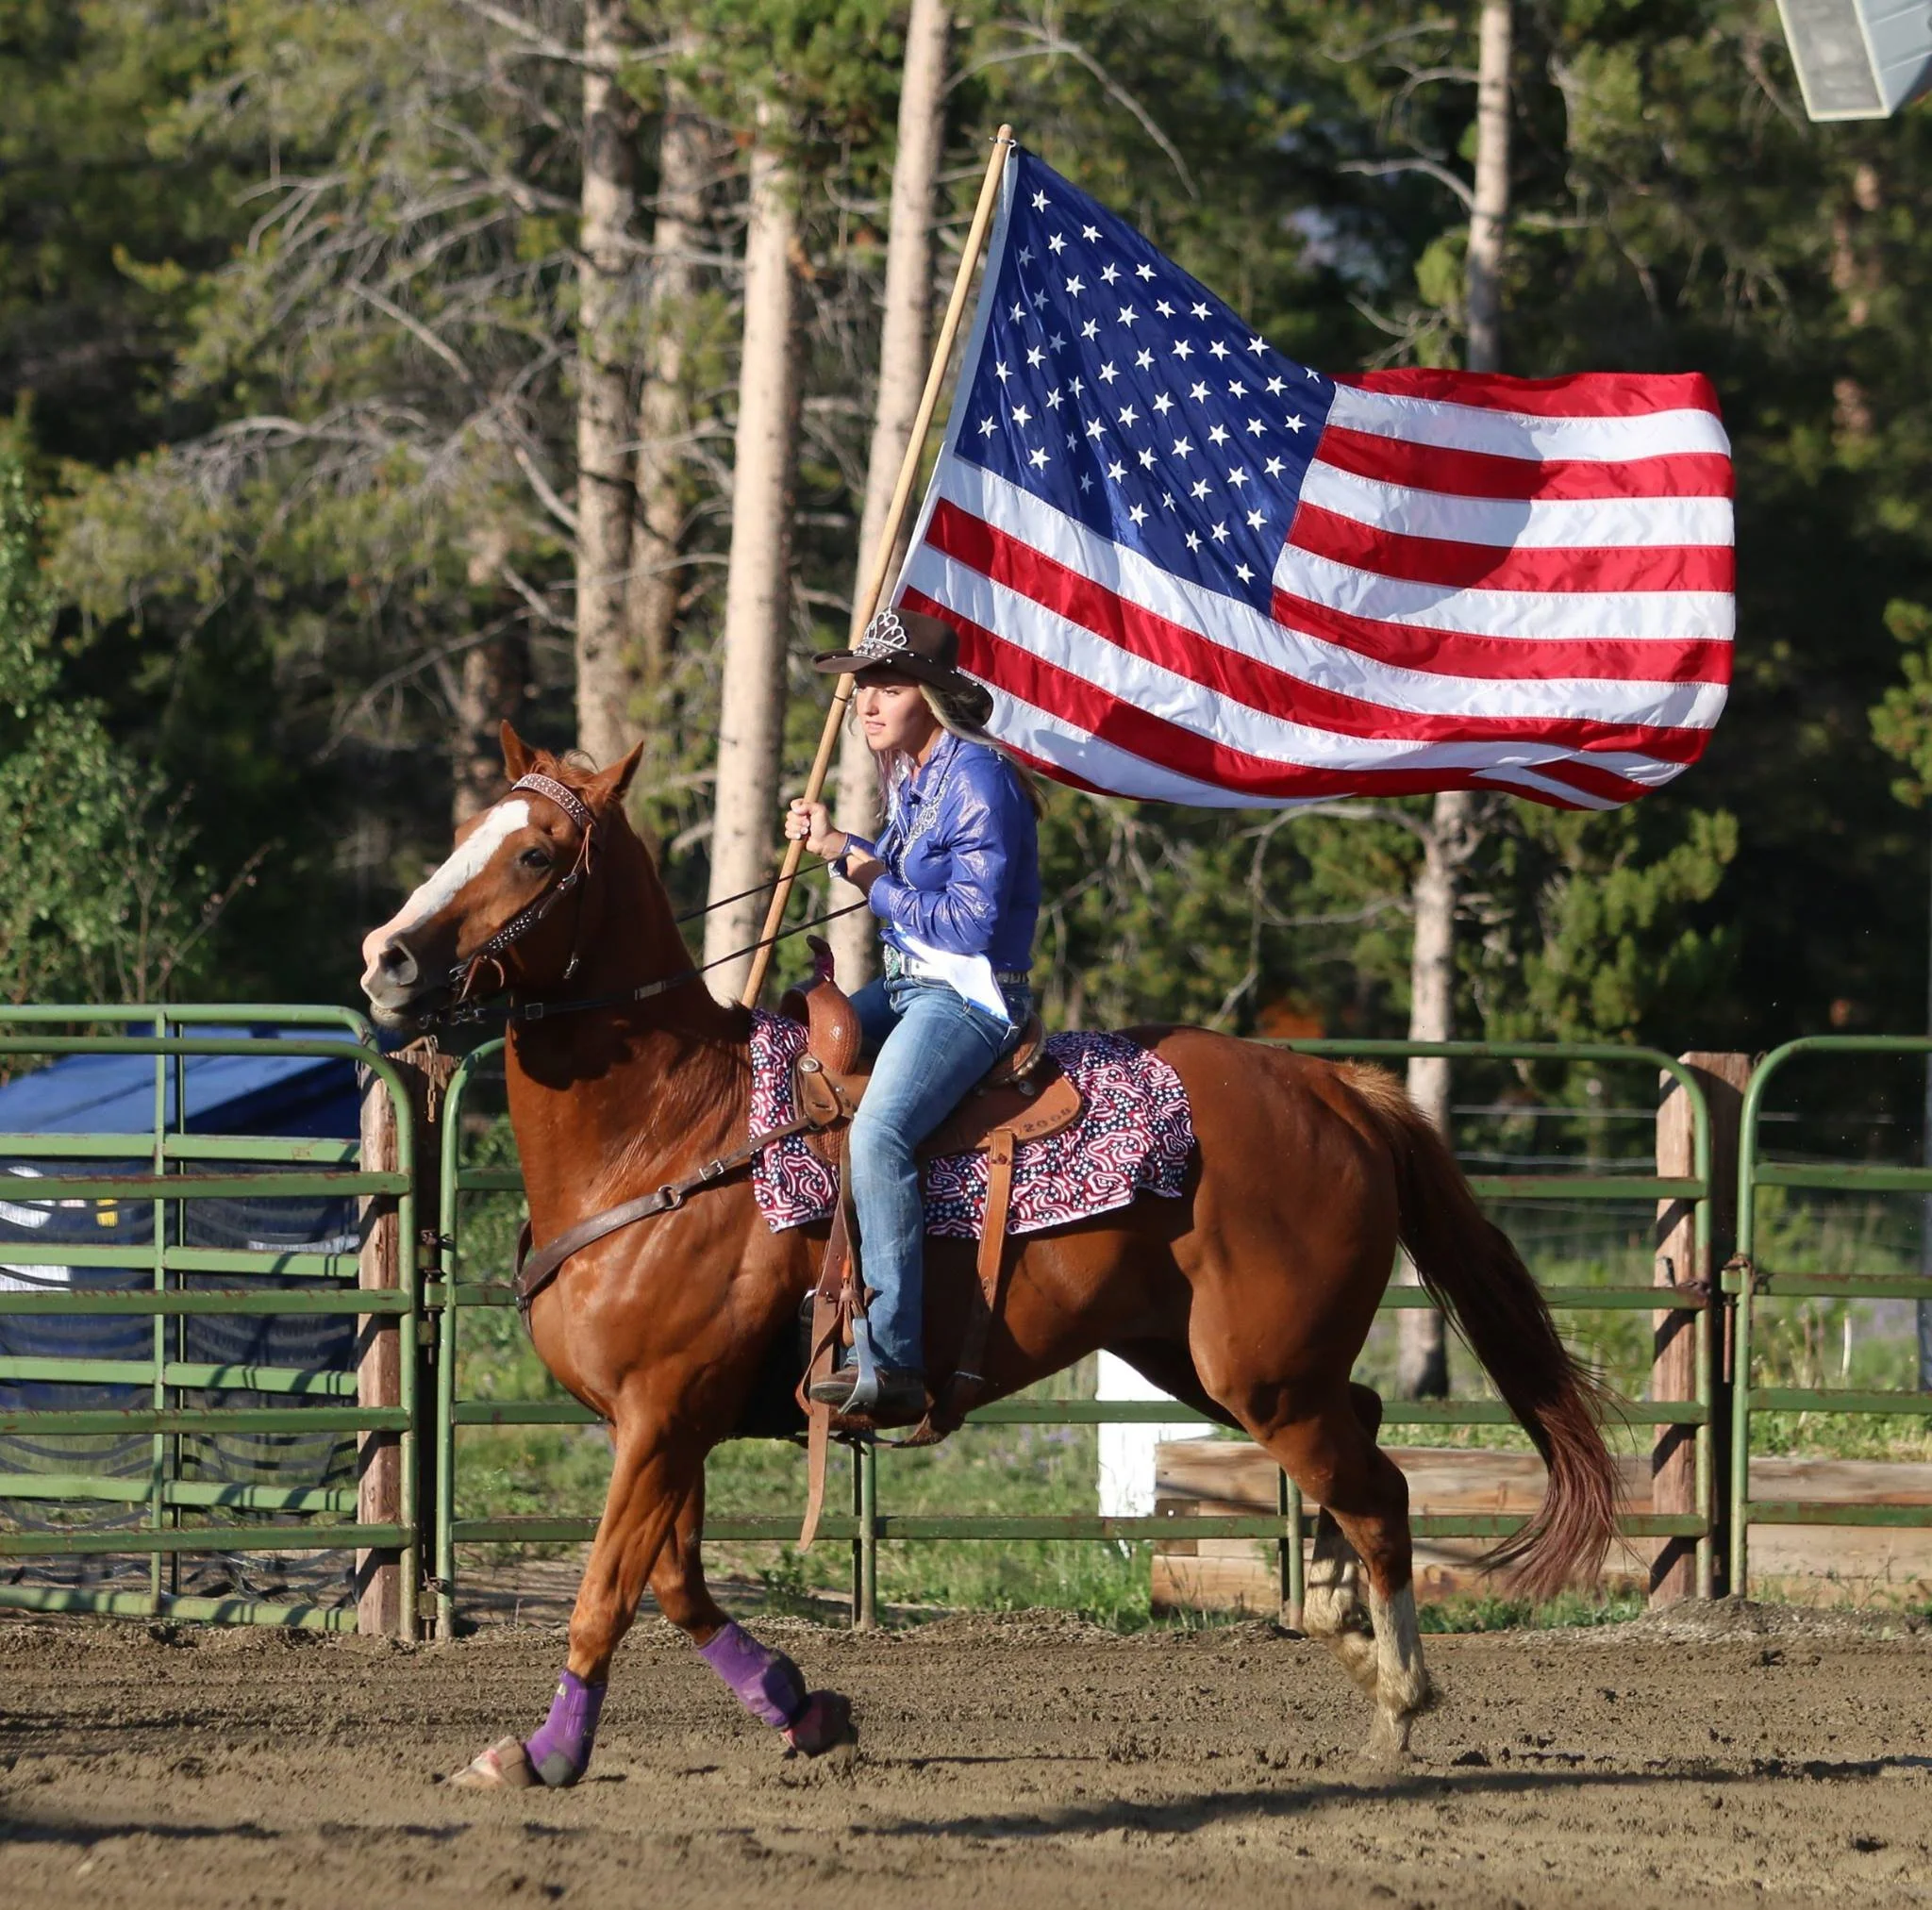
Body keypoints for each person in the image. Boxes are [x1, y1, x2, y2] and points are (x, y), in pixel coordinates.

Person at [785, 606, 1041, 1420]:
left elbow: (967, 924)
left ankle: (893, 1354)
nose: (865, 703)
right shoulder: (917, 775)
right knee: (788, 1055)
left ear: (930, 696)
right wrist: (842, 845)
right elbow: (906, 879)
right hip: (909, 985)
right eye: (863, 687)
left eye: (887, 687)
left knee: (879, 1131)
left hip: (971, 996)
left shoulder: (977, 779)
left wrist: (861, 871)